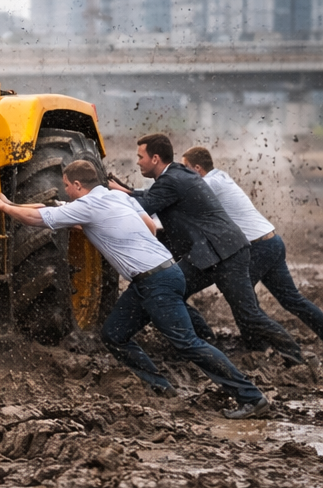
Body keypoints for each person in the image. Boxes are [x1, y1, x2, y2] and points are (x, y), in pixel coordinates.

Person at [0, 159, 271, 418]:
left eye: (66, 187)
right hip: (160, 274)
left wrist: (1, 208)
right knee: (114, 334)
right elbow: (149, 226)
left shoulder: (88, 207)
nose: (65, 192)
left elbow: (38, 219)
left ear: (76, 185)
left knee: (188, 343)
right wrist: (11, 202)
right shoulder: (115, 198)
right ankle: (161, 388)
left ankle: (251, 397)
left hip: (156, 280)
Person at [108, 132, 305, 367]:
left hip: (226, 253)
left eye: (140, 156)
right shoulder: (177, 174)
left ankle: (298, 357)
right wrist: (126, 192)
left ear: (155, 158)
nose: (137, 161)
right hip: (207, 254)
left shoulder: (172, 180)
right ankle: (205, 340)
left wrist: (107, 198)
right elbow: (152, 197)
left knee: (248, 315)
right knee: (172, 291)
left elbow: (144, 205)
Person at [182, 145, 323, 348]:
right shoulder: (220, 177)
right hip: (272, 242)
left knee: (241, 300)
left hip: (258, 248)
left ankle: (257, 344)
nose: (182, 174)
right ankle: (260, 340)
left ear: (196, 168)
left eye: (185, 168)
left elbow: (180, 199)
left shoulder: (209, 183)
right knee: (291, 299)